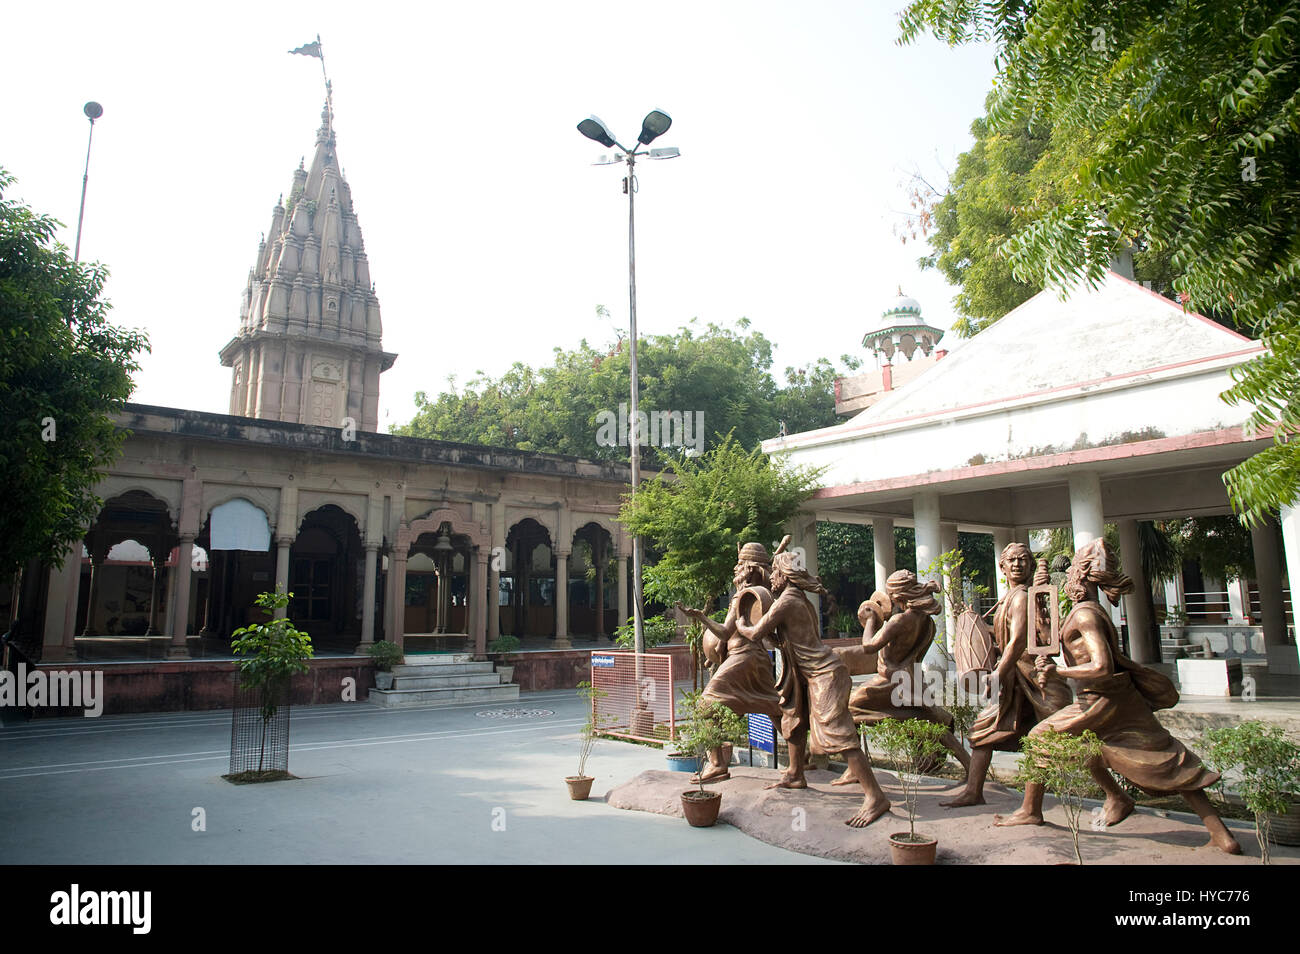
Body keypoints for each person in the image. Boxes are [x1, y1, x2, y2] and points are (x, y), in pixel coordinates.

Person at [994, 538, 1241, 854]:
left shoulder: (1085, 615)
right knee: (1160, 759)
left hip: (1099, 699)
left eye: (1071, 570)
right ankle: (1219, 834)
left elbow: (1101, 667)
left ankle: (1031, 810)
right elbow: (1058, 643)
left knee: (1040, 737)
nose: (1066, 575)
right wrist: (1042, 614)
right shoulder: (1088, 610)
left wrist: (1059, 673)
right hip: (1119, 700)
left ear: (1080, 577)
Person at [735, 540, 891, 828]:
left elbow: (756, 633)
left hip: (824, 673)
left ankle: (874, 796)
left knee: (837, 730)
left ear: (783, 576)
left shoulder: (789, 601)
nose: (770, 578)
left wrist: (740, 619)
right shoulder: (799, 599)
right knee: (793, 716)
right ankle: (795, 773)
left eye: (774, 574)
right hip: (803, 672)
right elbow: (780, 639)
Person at [941, 544, 1071, 807]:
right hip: (1016, 680)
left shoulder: (1022, 597)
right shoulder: (1009, 597)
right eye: (1011, 560)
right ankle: (975, 792)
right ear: (1001, 567)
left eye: (1023, 560)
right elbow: (1006, 638)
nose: (1017, 565)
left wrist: (998, 673)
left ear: (1031, 566)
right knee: (984, 732)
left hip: (1032, 679)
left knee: (1068, 739)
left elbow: (1018, 641)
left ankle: (1113, 793)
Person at [833, 569, 971, 786]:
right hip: (912, 679)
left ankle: (853, 769)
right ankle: (971, 766)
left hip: (889, 682)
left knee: (847, 710)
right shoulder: (927, 622)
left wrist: (869, 619)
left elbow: (869, 646)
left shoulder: (900, 621)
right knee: (930, 721)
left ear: (897, 597)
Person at [677, 542, 784, 782]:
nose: (736, 570)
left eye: (740, 565)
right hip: (757, 659)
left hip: (742, 659)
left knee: (707, 704)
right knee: (774, 707)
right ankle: (803, 758)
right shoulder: (762, 594)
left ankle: (716, 764)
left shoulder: (742, 597)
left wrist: (701, 617)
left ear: (749, 569)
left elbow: (725, 633)